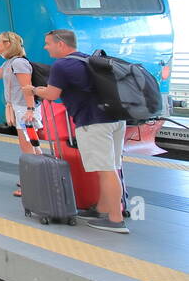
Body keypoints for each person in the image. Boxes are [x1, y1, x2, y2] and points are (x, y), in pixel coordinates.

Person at [27, 29, 128, 233]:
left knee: (107, 169)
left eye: (48, 43)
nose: (45, 47)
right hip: (116, 119)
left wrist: (34, 90)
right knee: (110, 167)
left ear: (61, 44)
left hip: (93, 122)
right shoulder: (88, 60)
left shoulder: (62, 65)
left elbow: (53, 94)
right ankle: (102, 209)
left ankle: (116, 220)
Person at [0, 31, 39, 198]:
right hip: (18, 108)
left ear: (8, 44)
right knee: (32, 145)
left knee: (28, 147)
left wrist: (30, 111)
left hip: (24, 110)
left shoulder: (19, 64)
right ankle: (37, 177)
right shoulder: (9, 63)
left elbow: (27, 88)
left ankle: (32, 184)